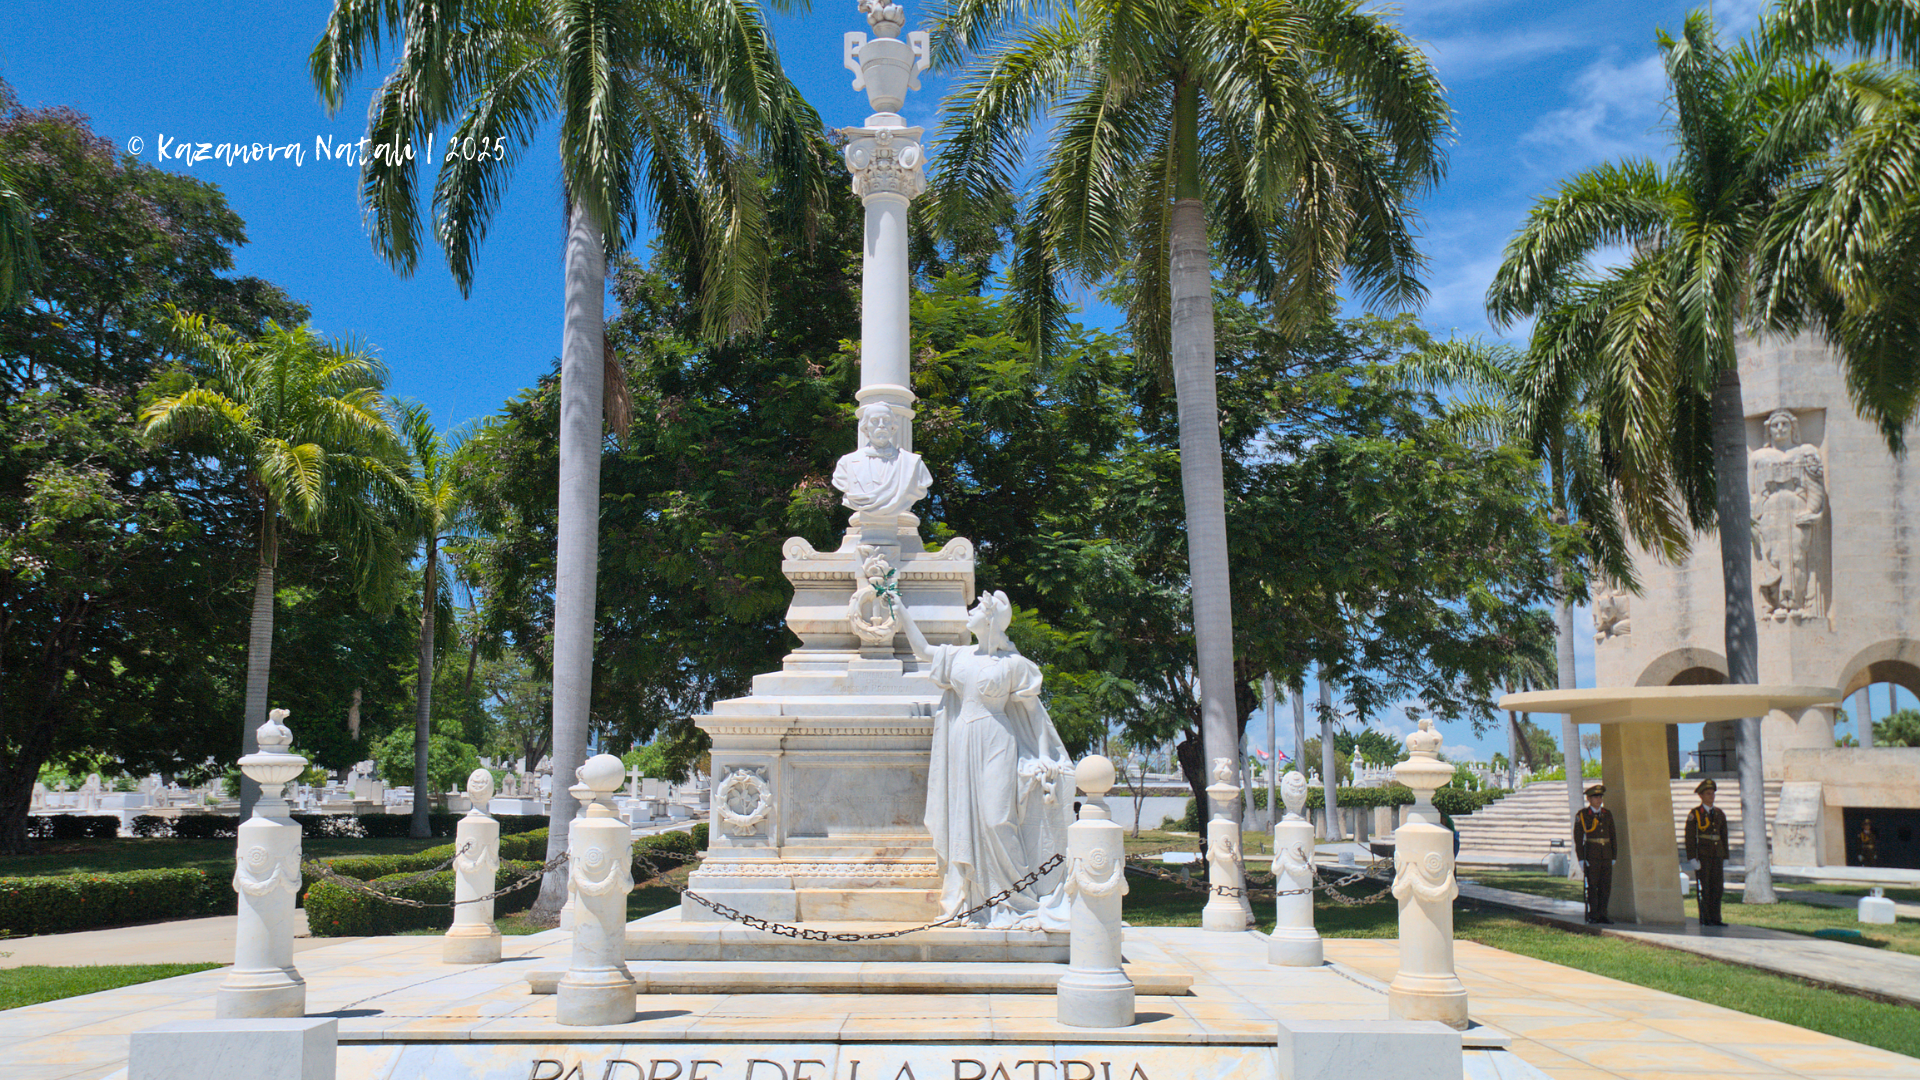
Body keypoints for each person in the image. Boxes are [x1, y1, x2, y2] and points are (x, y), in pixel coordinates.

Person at [895, 589, 1072, 929]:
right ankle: (977, 900)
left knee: (996, 819)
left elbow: (1034, 714)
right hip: (961, 740)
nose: (970, 611)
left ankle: (1017, 899)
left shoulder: (1012, 664)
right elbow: (922, 650)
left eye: (977, 608)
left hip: (996, 739)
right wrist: (900, 609)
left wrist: (1044, 754)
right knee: (964, 820)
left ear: (990, 619)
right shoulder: (959, 657)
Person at [831, 404, 934, 525]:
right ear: (865, 428)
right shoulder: (847, 463)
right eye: (875, 421)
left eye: (886, 420)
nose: (881, 425)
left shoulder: (912, 463)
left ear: (893, 427)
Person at [1684, 778, 1730, 927]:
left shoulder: (1719, 813)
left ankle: (1716, 918)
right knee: (1705, 887)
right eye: (1708, 794)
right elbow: (1690, 837)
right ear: (1701, 796)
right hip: (1703, 855)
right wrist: (1692, 858)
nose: (1712, 796)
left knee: (1717, 887)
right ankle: (1706, 917)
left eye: (1713, 793)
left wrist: (1726, 855)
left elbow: (1724, 836)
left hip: (1717, 854)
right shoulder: (1695, 814)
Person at [1575, 783, 1615, 924]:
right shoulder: (1583, 815)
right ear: (1589, 799)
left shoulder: (1606, 814)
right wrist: (1581, 859)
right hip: (1592, 855)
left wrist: (1613, 856)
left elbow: (1612, 836)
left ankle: (1603, 913)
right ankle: (1594, 914)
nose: (1599, 799)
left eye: (1600, 796)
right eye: (1595, 797)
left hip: (1606, 855)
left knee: (1605, 886)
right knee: (1593, 885)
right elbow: (1578, 839)